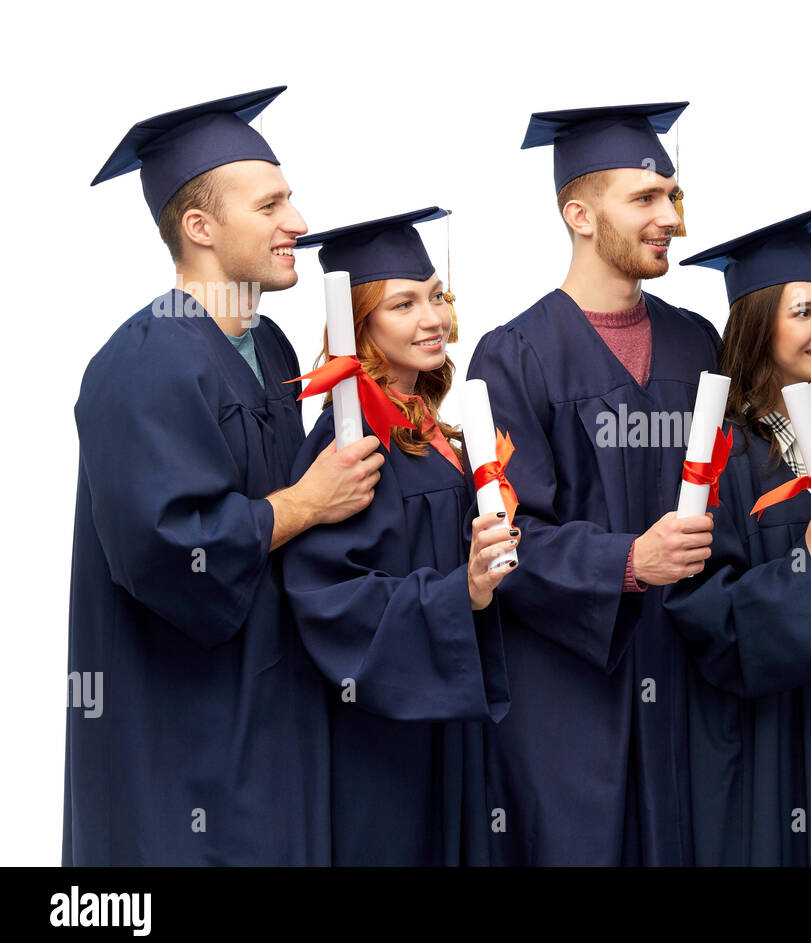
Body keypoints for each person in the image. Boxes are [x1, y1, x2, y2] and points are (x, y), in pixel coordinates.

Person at [67, 87, 384, 865]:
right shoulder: (143, 364)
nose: (299, 225)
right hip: (190, 739)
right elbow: (167, 551)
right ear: (200, 228)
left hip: (277, 722)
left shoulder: (269, 348)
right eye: (271, 206)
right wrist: (304, 506)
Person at [467, 102, 719, 865]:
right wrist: (625, 562)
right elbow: (507, 542)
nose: (670, 215)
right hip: (566, 696)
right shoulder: (513, 355)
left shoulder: (696, 340)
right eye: (645, 198)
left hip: (683, 678)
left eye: (672, 196)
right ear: (578, 214)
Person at [282, 207, 515, 865]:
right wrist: (457, 594)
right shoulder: (349, 440)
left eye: (436, 296)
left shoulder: (434, 429)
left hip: (445, 719)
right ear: (363, 325)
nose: (432, 317)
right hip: (382, 741)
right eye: (404, 303)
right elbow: (327, 596)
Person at [665, 209, 811, 865]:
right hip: (771, 734)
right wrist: (804, 567)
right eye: (803, 312)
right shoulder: (724, 455)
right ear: (760, 326)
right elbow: (695, 606)